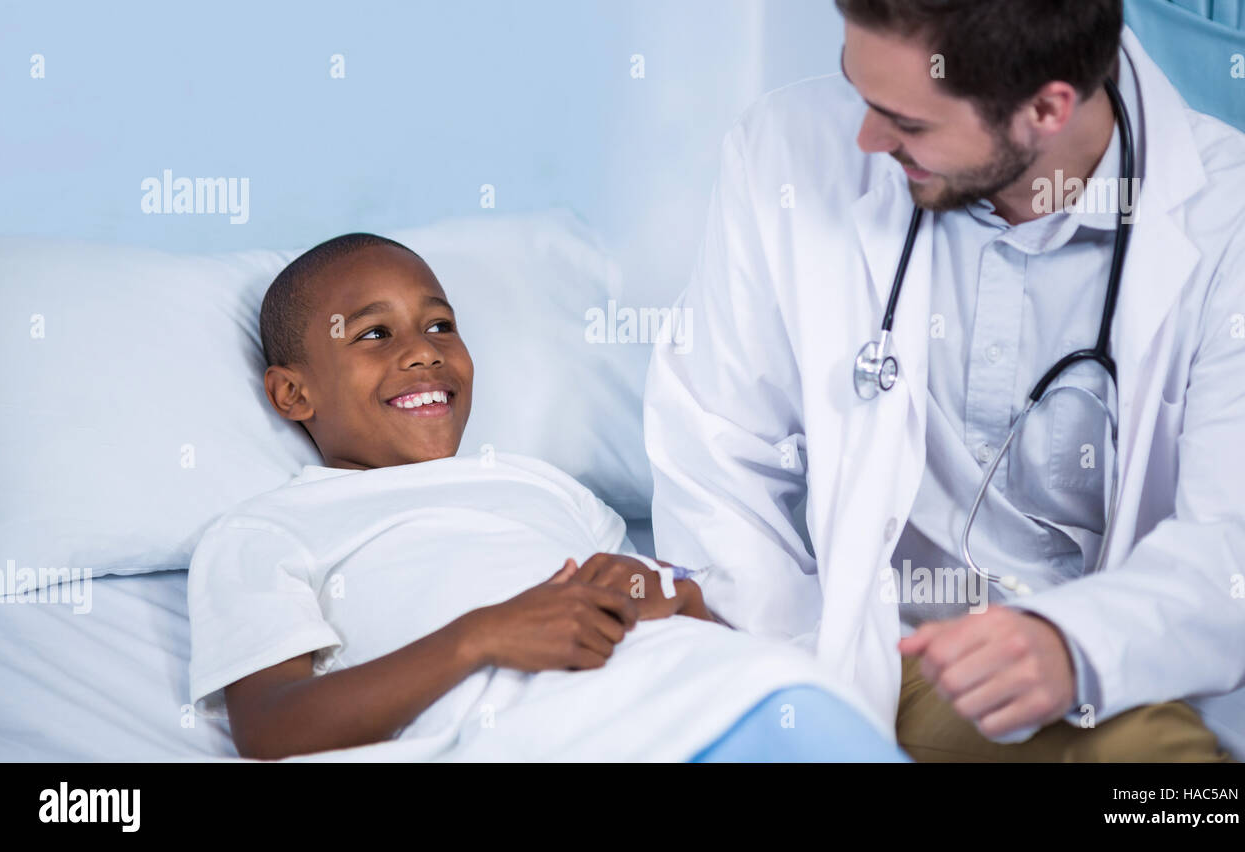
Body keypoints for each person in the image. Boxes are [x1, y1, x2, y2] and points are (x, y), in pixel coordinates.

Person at [644, 0, 1245, 761]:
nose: (866, 139)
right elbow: (718, 463)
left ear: (1047, 110)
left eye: (909, 123)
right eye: (857, 87)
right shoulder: (785, 155)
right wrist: (805, 686)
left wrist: (1071, 645)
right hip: (877, 655)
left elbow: (1243, 549)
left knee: (1154, 775)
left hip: (1124, 667)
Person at [186, 231, 906, 761]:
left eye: (440, 325)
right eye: (375, 334)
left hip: (739, 694)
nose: (423, 350)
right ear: (292, 392)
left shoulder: (544, 488)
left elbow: (673, 606)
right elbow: (271, 729)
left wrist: (671, 594)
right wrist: (483, 635)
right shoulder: (267, 530)